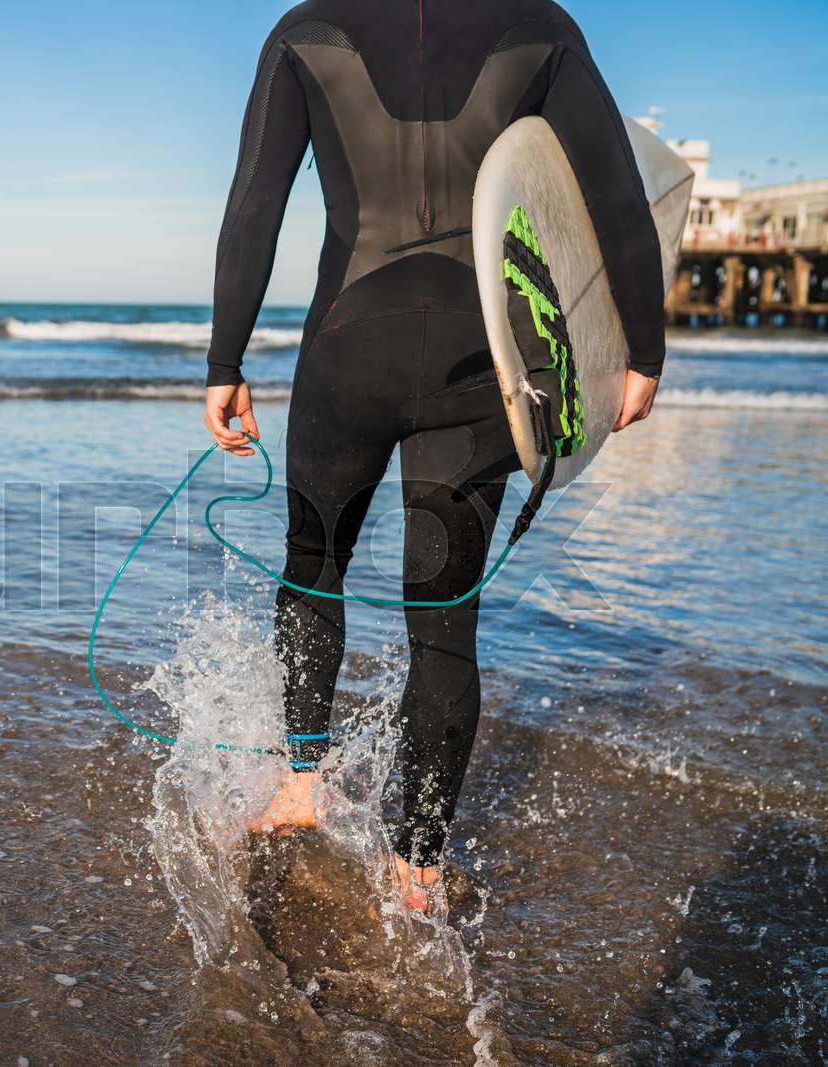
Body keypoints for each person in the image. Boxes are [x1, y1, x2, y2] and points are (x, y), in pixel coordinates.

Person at [202, 0, 665, 913]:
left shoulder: (305, 30)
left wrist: (226, 359)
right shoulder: (541, 26)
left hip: (347, 352)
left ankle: (302, 783)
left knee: (313, 568)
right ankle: (416, 864)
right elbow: (614, 195)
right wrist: (641, 348)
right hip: (481, 364)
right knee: (445, 622)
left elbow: (256, 199)